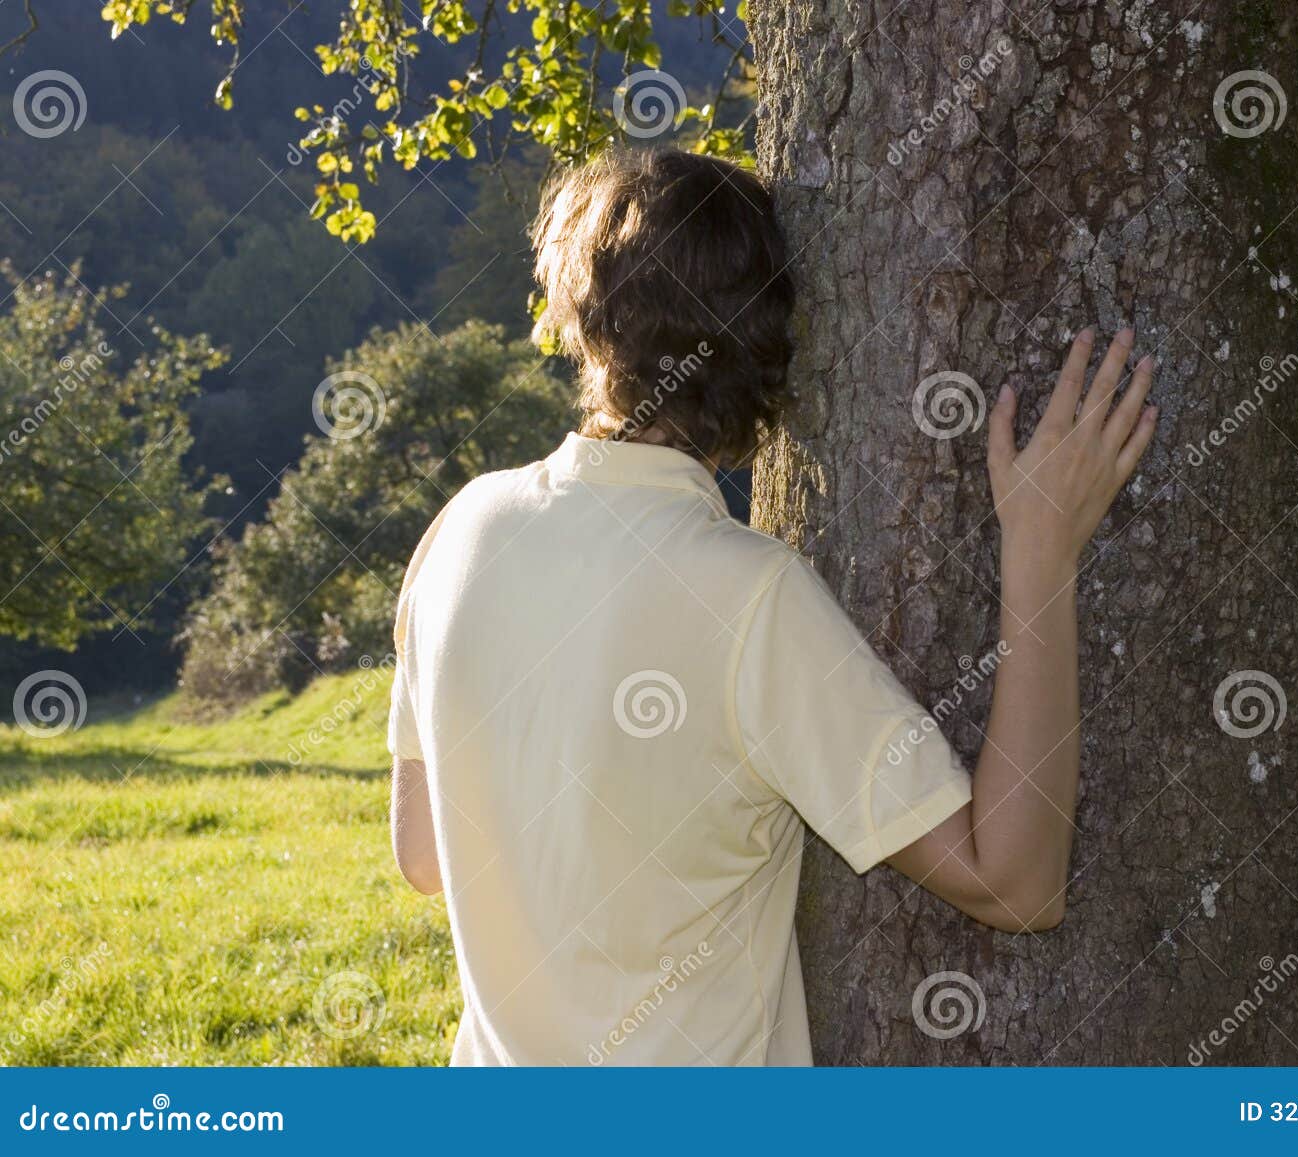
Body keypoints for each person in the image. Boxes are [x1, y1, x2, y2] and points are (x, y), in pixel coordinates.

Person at [387, 148, 1158, 1065]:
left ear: (582, 322)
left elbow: (426, 856)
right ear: (776, 355)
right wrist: (1039, 553)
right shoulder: (746, 596)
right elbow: (1018, 882)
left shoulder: (462, 529)